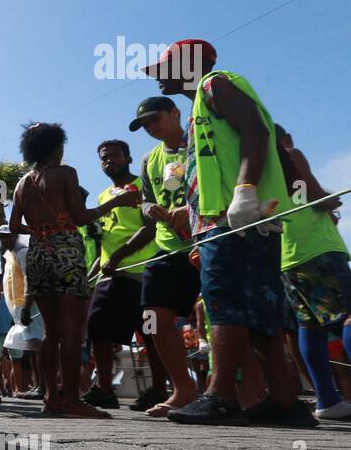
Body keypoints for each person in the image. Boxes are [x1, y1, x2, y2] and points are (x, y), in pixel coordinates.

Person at [144, 39, 315, 427]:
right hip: (235, 218)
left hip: (233, 217)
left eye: (164, 68)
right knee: (259, 310)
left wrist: (245, 190)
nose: (158, 78)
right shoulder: (201, 104)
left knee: (224, 301)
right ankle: (286, 401)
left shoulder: (215, 85)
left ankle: (220, 396)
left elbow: (256, 130)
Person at [10, 123, 138, 418]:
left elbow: (15, 226)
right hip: (65, 250)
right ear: (57, 147)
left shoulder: (22, 183)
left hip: (38, 252)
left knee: (50, 332)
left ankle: (51, 398)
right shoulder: (65, 173)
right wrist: (119, 201)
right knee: (71, 332)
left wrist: (41, 228)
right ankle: (72, 399)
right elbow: (81, 217)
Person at [128, 94, 201, 415]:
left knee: (223, 317)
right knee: (153, 317)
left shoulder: (200, 144)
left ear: (176, 113)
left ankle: (236, 390)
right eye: (144, 125)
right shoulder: (149, 159)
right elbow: (144, 201)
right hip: (167, 246)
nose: (151, 128)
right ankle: (183, 389)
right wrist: (150, 208)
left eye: (155, 119)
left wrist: (192, 210)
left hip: (207, 238)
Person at [274, 125, 351, 420]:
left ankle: (326, 399)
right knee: (347, 314)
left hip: (287, 257)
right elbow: (315, 196)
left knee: (310, 326)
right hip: (318, 249)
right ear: (285, 139)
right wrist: (331, 201)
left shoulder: (259, 169)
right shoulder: (290, 154)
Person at [82, 139, 161, 410]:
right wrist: (91, 274)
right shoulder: (104, 196)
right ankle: (104, 389)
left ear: (128, 158)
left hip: (140, 271)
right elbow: (106, 241)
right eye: (104, 157)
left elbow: (149, 228)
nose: (108, 161)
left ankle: (159, 389)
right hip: (109, 275)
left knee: (150, 333)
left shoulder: (142, 186)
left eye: (114, 156)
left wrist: (119, 256)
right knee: (98, 331)